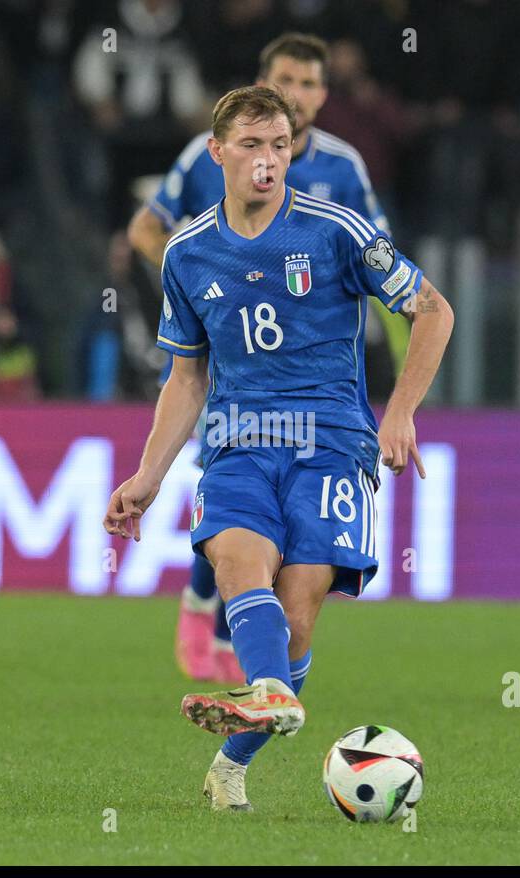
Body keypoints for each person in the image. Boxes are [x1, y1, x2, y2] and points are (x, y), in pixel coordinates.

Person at [103, 86, 453, 811]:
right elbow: (187, 375)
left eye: (281, 146)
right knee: (237, 560)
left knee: (297, 616)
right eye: (254, 146)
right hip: (238, 441)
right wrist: (148, 473)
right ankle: (266, 694)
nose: (269, 162)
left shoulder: (336, 230)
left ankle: (234, 756)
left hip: (333, 443)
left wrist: (402, 412)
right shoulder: (188, 252)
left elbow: (433, 309)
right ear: (218, 152)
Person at [126, 33, 391, 684]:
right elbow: (144, 226)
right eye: (284, 80)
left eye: (306, 84)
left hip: (310, 375)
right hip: (220, 351)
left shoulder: (342, 169)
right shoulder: (208, 153)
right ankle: (207, 611)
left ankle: (234, 636)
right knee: (229, 482)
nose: (294, 95)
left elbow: (380, 253)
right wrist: (206, 289)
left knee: (264, 512)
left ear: (323, 96)